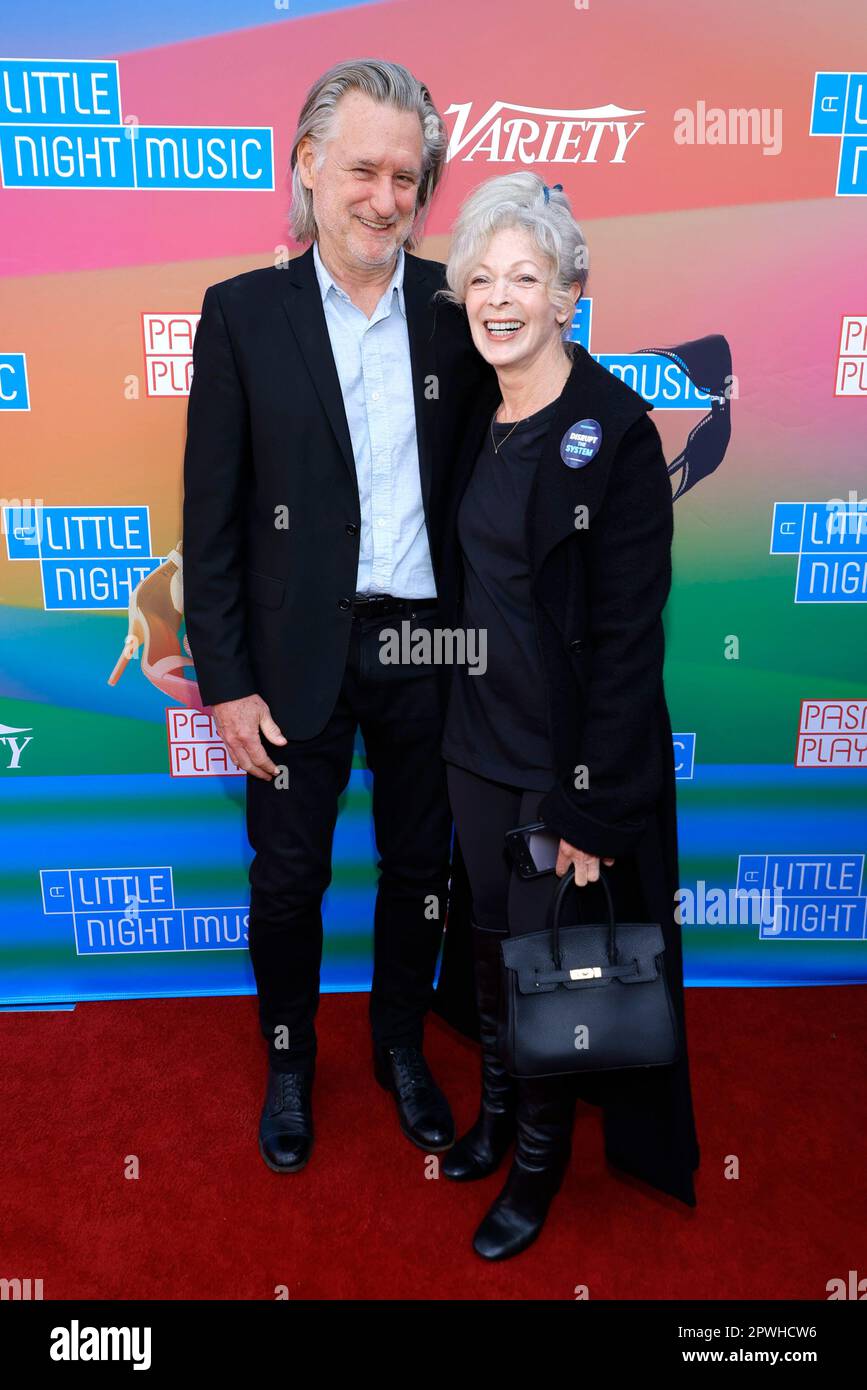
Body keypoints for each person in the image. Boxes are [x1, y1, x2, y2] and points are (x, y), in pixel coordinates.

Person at [181, 59, 492, 1174]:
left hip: (430, 644)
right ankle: (289, 1060)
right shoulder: (240, 317)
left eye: (407, 176)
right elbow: (208, 524)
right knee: (287, 877)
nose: (385, 197)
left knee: (422, 867)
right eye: (362, 167)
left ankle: (401, 1048)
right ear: (307, 165)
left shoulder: (464, 312)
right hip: (289, 652)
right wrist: (223, 682)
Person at [432, 172, 701, 1259]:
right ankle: (496, 1117)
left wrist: (594, 806)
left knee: (551, 970)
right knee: (496, 953)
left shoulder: (616, 432)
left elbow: (632, 640)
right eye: (481, 279)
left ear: (567, 297)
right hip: (473, 743)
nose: (500, 299)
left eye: (524, 278)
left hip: (563, 768)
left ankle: (537, 1168)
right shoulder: (474, 418)